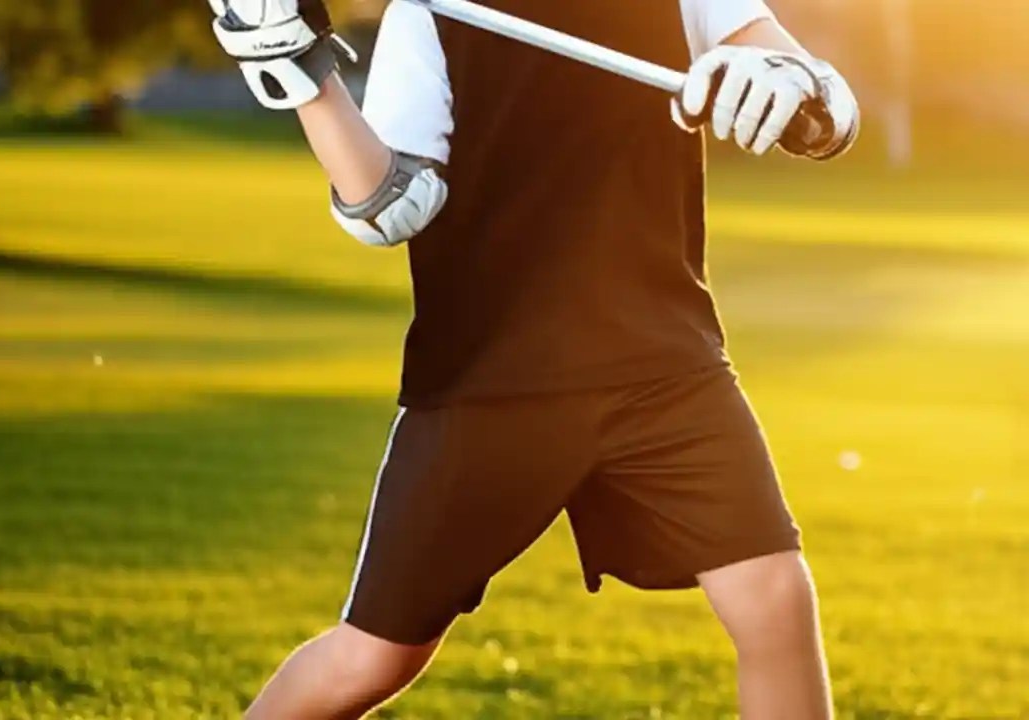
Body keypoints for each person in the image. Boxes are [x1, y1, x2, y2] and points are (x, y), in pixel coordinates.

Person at [207, 0, 859, 716]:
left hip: (664, 364)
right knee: (374, 657)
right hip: (489, 379)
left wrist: (794, 81)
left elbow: (832, 111)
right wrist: (302, 73)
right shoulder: (428, 13)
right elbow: (389, 207)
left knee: (774, 598)